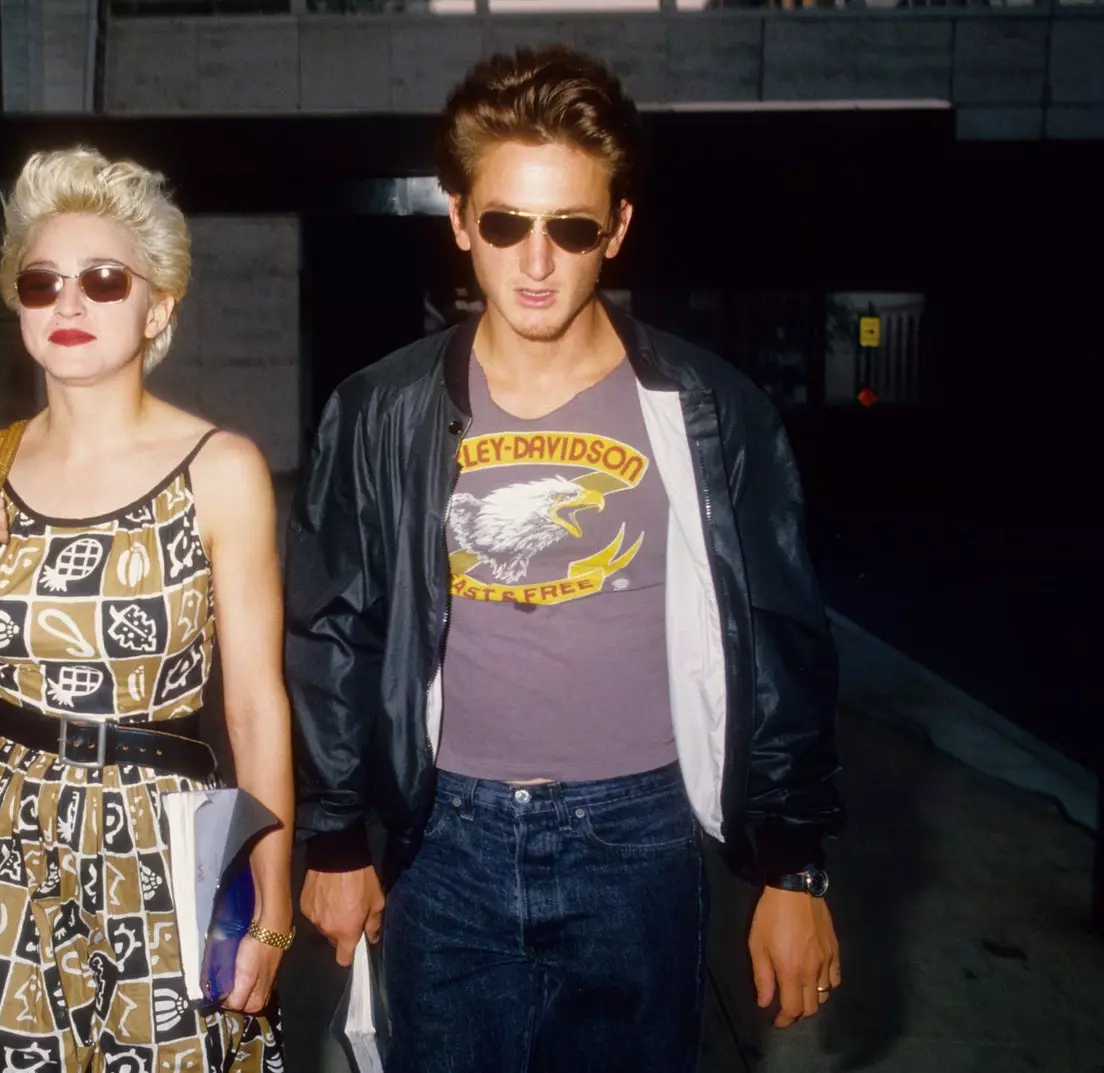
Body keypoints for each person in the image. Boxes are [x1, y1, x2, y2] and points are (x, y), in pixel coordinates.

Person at [286, 46, 844, 1072]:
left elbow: (782, 637)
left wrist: (793, 868)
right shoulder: (379, 409)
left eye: (570, 228)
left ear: (616, 231)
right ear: (459, 219)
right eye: (504, 223)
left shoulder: (713, 410)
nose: (534, 261)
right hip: (439, 835)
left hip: (638, 841)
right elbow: (334, 631)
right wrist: (333, 836)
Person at [0, 147, 291, 1073]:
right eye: (43, 282)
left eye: (103, 280)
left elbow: (257, 703)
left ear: (157, 308)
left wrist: (270, 894)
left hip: (163, 840)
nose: (68, 303)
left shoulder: (218, 469)